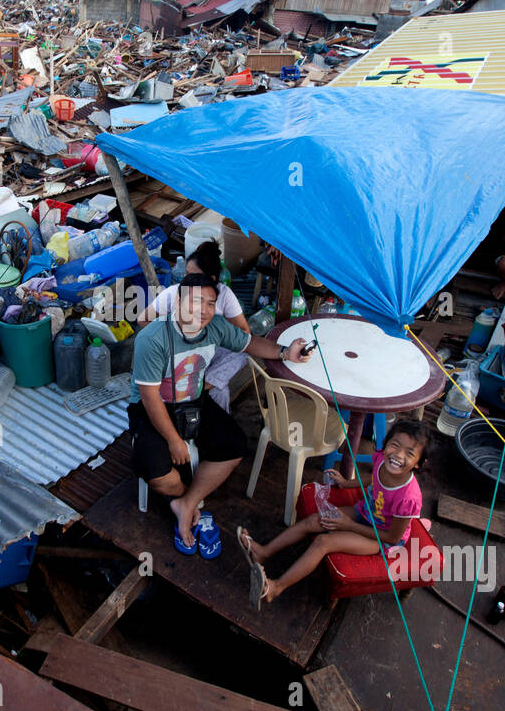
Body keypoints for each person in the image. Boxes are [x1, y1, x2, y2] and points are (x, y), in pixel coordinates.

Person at [131, 272, 312, 554]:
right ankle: (183, 497)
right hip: (153, 408)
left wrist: (286, 351)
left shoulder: (215, 327)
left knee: (235, 446)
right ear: (177, 302)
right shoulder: (152, 338)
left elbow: (250, 343)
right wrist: (174, 441)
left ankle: (186, 504)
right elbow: (149, 397)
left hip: (194, 402)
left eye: (210, 303)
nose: (203, 310)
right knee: (159, 476)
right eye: (196, 301)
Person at [238, 420, 430, 606]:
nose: (398, 454)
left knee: (324, 543)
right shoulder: (382, 460)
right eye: (395, 445)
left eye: (409, 453)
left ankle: (275, 588)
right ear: (386, 444)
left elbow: (392, 537)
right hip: (364, 512)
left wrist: (349, 526)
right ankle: (263, 552)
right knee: (314, 520)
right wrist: (347, 483)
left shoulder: (409, 498)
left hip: (380, 539)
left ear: (418, 463)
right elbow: (373, 478)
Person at [138, 240, 249, 333]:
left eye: (210, 304)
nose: (186, 279)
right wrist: (168, 338)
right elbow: (143, 320)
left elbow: (244, 331)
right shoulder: (172, 293)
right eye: (186, 273)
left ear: (212, 280)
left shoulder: (224, 295)